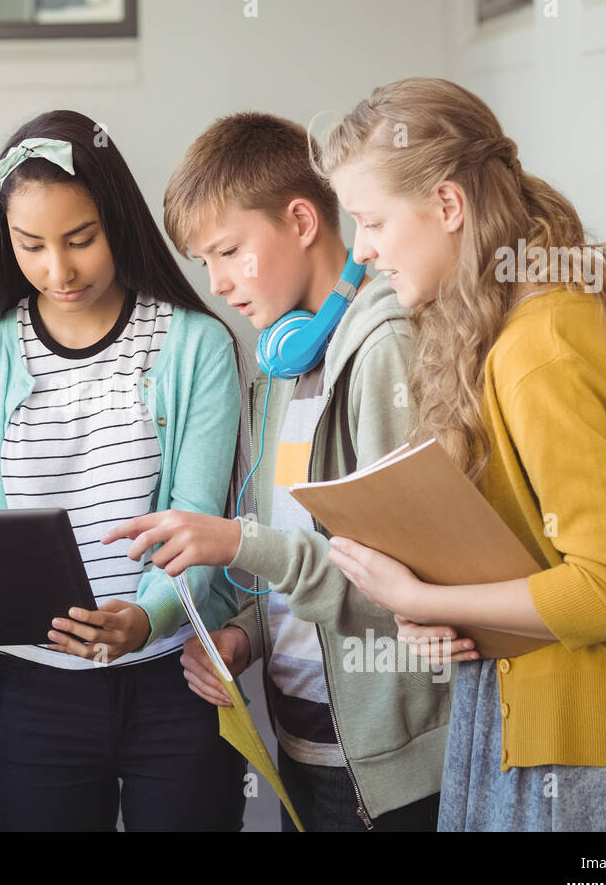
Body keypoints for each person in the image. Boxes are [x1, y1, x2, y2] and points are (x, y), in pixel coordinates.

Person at [318, 77, 606, 831]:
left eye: (372, 220)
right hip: (535, 717)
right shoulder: (492, 319)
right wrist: (455, 618)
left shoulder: (540, 347)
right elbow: (538, 562)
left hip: (605, 745)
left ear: (447, 206)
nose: (363, 251)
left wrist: (423, 601)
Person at [109, 111, 453, 831]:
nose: (218, 283)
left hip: (390, 769)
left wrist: (234, 544)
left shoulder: (383, 344)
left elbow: (398, 583)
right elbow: (298, 546)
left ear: (301, 219)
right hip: (310, 744)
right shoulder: (282, 360)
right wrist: (246, 636)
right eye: (206, 262)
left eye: (230, 251)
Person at [0, 110, 246, 831]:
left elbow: (197, 529)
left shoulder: (196, 347)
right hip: (38, 694)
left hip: (176, 677)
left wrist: (143, 620)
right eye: (30, 246)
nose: (58, 271)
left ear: (118, 222)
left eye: (81, 240)